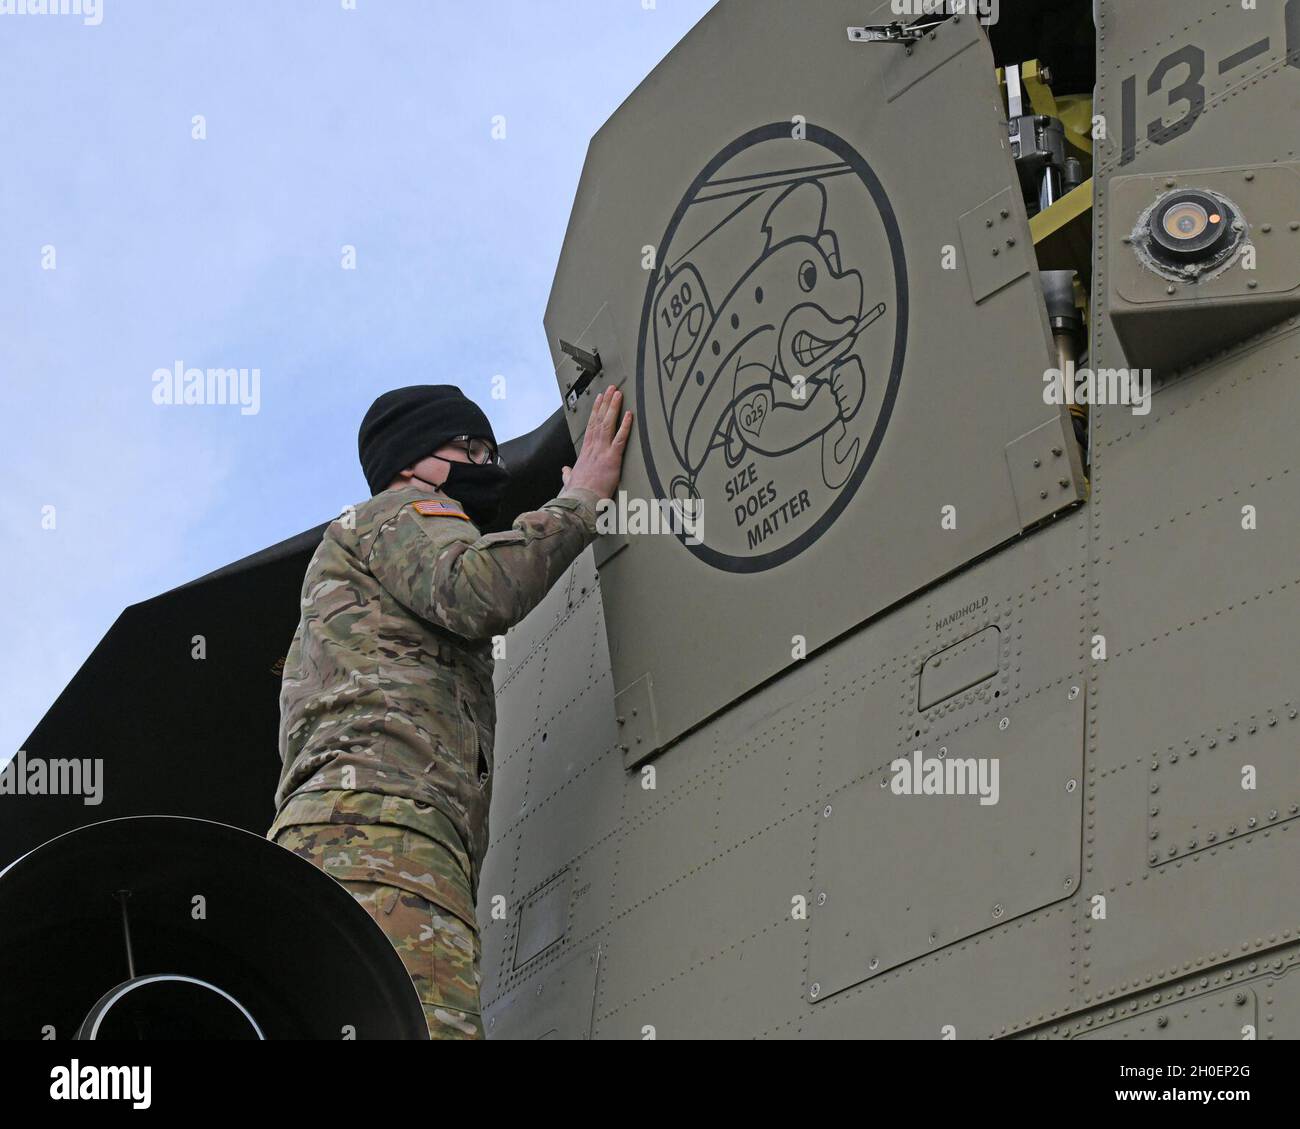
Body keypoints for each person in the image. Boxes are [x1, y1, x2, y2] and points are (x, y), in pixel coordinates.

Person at [267, 383, 631, 1039]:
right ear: (411, 460)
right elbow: (477, 590)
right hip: (391, 841)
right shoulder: (405, 509)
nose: (487, 465)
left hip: (323, 848)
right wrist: (581, 501)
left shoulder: (338, 588)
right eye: (468, 448)